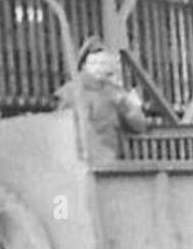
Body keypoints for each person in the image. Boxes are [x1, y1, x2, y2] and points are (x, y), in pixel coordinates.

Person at [56, 36, 148, 164]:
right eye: (96, 63)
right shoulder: (71, 93)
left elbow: (139, 125)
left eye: (103, 63)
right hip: (92, 160)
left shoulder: (113, 92)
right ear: (84, 66)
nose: (100, 68)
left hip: (99, 161)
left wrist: (129, 105)